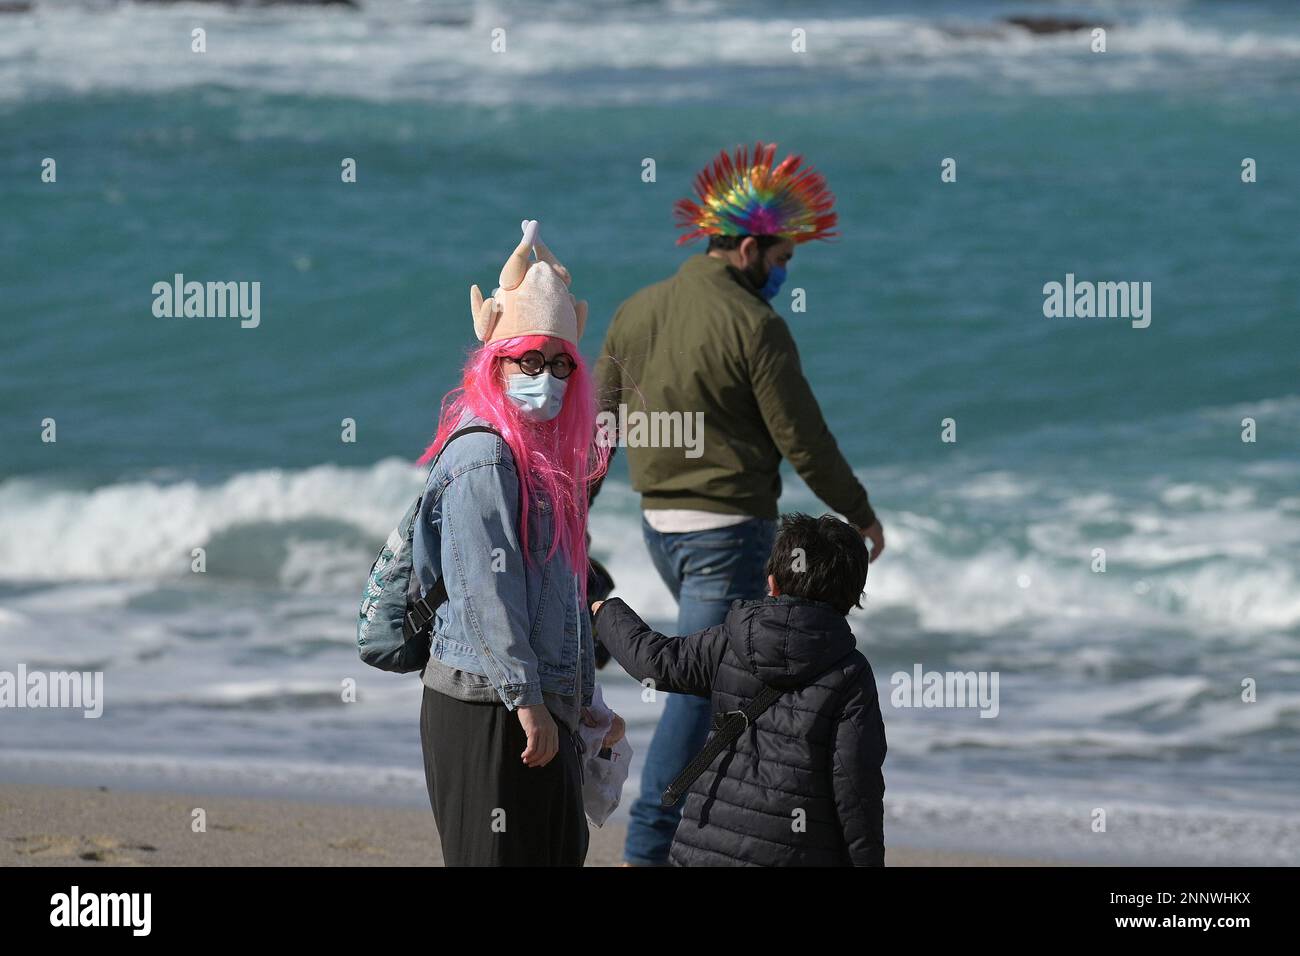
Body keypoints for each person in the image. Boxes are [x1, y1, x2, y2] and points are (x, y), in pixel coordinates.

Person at [594, 142, 885, 866]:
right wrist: (860, 513)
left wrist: (573, 512)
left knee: (725, 678)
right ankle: (649, 846)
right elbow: (804, 439)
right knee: (689, 691)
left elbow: (598, 425)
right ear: (750, 248)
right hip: (727, 533)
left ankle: (731, 824)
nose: (784, 271)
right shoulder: (755, 327)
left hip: (659, 525)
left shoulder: (636, 309)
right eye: (783, 256)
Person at [413, 221, 620, 866]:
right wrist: (528, 703)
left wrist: (587, 703)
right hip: (488, 704)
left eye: (561, 364)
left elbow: (560, 594)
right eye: (531, 360)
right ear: (497, 362)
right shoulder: (482, 457)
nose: (548, 378)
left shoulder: (545, 460)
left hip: (539, 702)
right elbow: (485, 591)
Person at [592, 513, 887, 866]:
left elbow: (655, 662)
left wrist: (605, 612)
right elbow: (856, 788)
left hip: (703, 846)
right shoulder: (850, 673)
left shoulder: (730, 640)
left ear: (772, 583)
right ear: (854, 598)